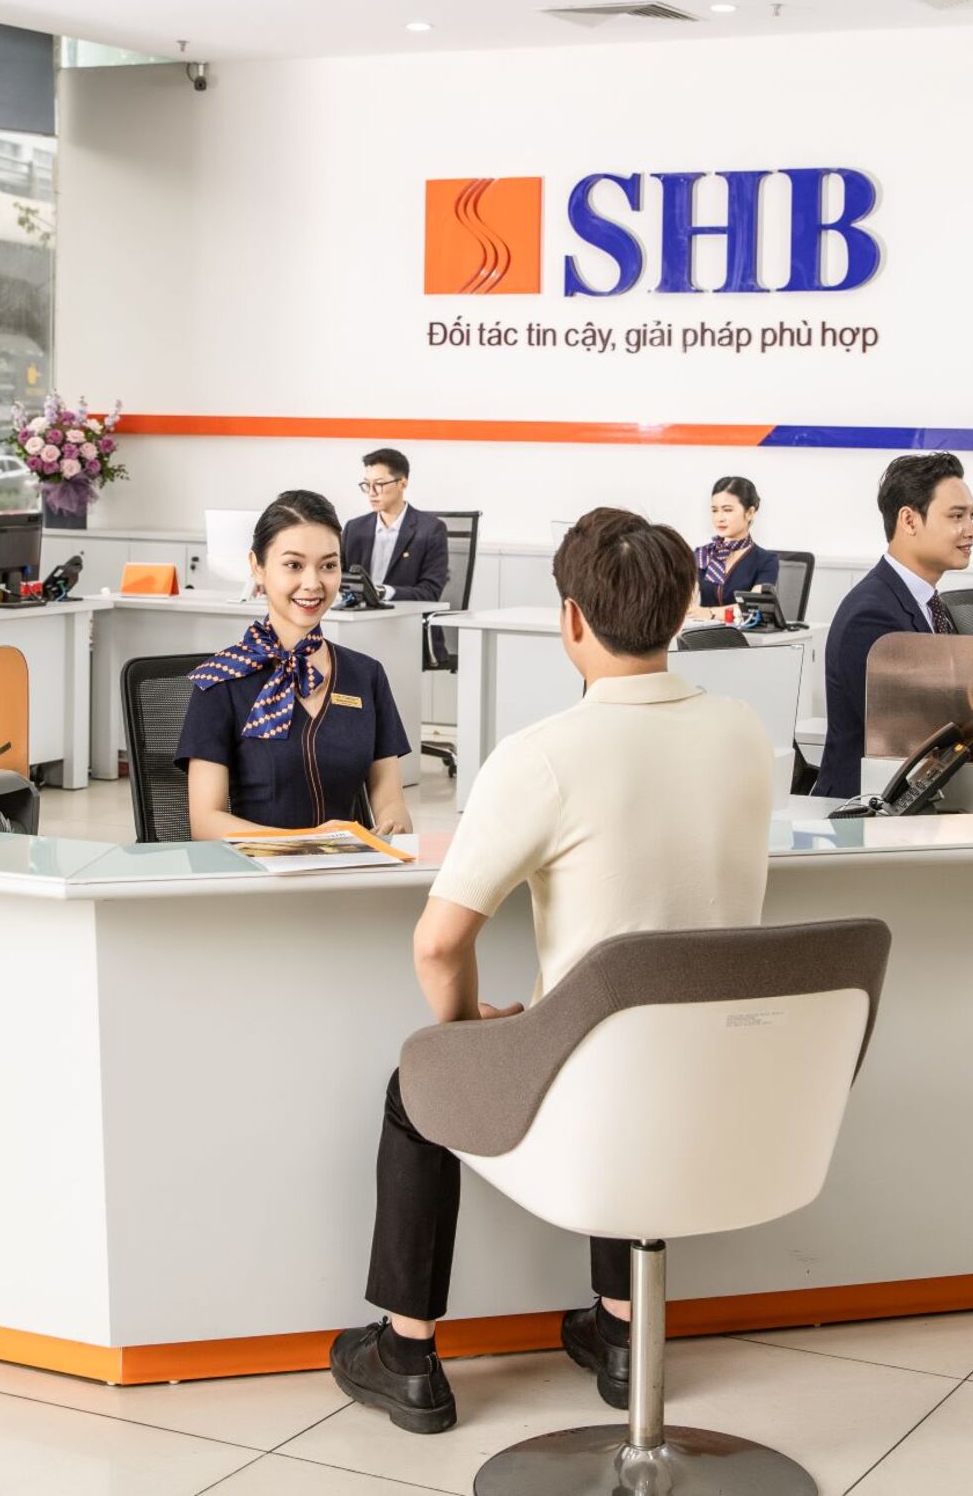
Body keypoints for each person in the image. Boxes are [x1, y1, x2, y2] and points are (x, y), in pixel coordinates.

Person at [328, 508, 774, 1435]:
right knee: (633, 1029)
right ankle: (622, 1331)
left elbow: (438, 943)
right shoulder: (743, 733)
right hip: (725, 1075)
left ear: (571, 618)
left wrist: (465, 1034)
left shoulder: (543, 756)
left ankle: (406, 1353)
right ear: (685, 608)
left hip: (596, 1093)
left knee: (422, 1082)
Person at [178, 491, 415, 837]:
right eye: (293, 565)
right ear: (257, 567)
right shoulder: (220, 682)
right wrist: (306, 843)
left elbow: (390, 799)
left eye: (328, 565)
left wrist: (394, 824)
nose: (313, 584)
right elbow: (205, 823)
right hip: (255, 868)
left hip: (349, 866)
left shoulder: (366, 675)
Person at [815, 452, 973, 800]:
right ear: (909, 520)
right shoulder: (872, 617)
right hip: (864, 808)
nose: (971, 530)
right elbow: (912, 737)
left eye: (971, 516)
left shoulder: (929, 604)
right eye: (956, 516)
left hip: (909, 799)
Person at [342, 447, 449, 601]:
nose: (371, 492)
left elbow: (430, 592)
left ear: (402, 484)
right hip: (357, 612)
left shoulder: (431, 530)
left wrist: (383, 592)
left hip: (404, 614)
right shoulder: (354, 528)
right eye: (367, 484)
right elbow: (338, 579)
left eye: (379, 484)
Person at [688, 474, 783, 616]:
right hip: (703, 629)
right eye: (714, 510)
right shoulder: (704, 554)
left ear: (750, 513)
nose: (719, 518)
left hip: (743, 630)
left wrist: (710, 613)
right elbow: (686, 602)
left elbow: (753, 607)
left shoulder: (766, 560)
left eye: (727, 510)